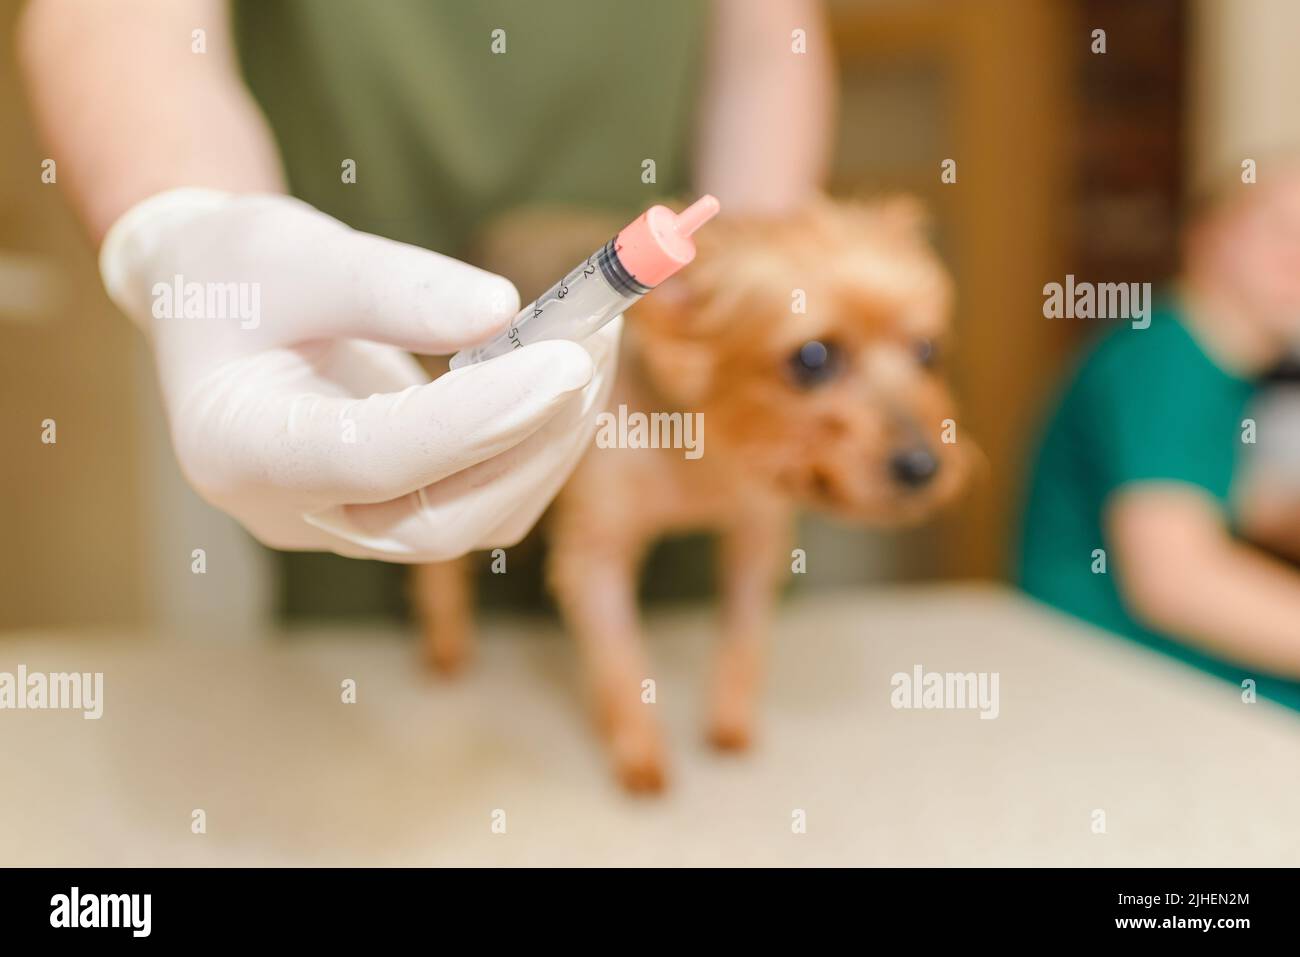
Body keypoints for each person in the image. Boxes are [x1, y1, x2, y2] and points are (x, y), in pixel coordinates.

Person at [18, 0, 833, 563]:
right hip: (352, 392)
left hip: (678, 421)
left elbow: (768, 43)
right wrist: (187, 232)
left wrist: (755, 303)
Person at [1019, 163, 1300, 706]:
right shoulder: (1169, 359)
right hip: (1115, 663)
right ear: (1204, 240)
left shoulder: (1212, 369)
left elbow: (1234, 501)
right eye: (1280, 230)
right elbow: (1175, 582)